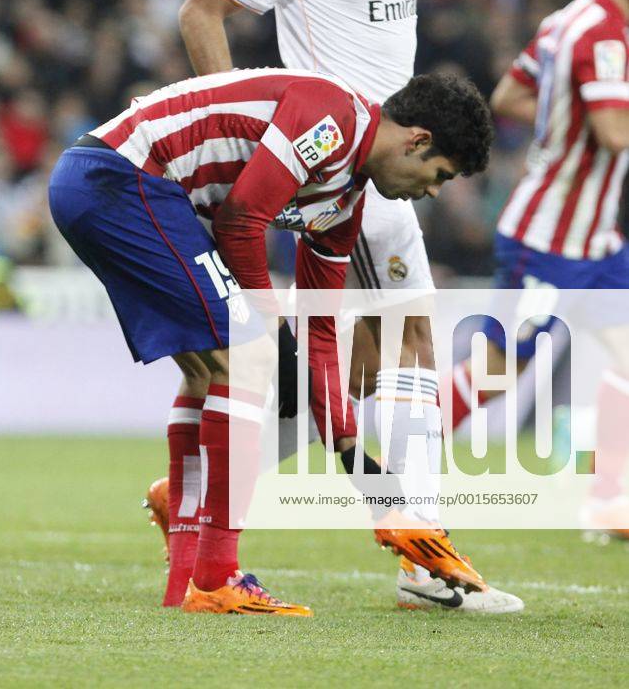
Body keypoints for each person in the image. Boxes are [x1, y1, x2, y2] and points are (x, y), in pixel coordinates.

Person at [156, 0, 521, 613]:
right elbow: (201, 10)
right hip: (343, 170)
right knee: (405, 350)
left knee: (355, 370)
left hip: (385, 166)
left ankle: (188, 489)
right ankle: (422, 565)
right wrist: (245, 134)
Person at [49, 67, 492, 615]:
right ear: (417, 139)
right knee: (250, 355)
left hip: (116, 185)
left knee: (208, 370)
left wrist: (361, 467)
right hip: (122, 180)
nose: (429, 192)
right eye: (438, 175)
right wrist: (274, 331)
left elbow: (321, 332)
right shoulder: (333, 120)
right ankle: (217, 577)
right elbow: (240, 220)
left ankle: (189, 581)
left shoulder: (343, 202)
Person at [444, 0, 629, 540]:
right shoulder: (606, 33)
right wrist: (581, 127)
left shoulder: (561, 23)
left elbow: (509, 97)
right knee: (499, 372)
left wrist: (560, 128)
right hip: (548, 240)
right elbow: (611, 131)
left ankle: (608, 499)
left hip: (596, 238)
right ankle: (391, 461)